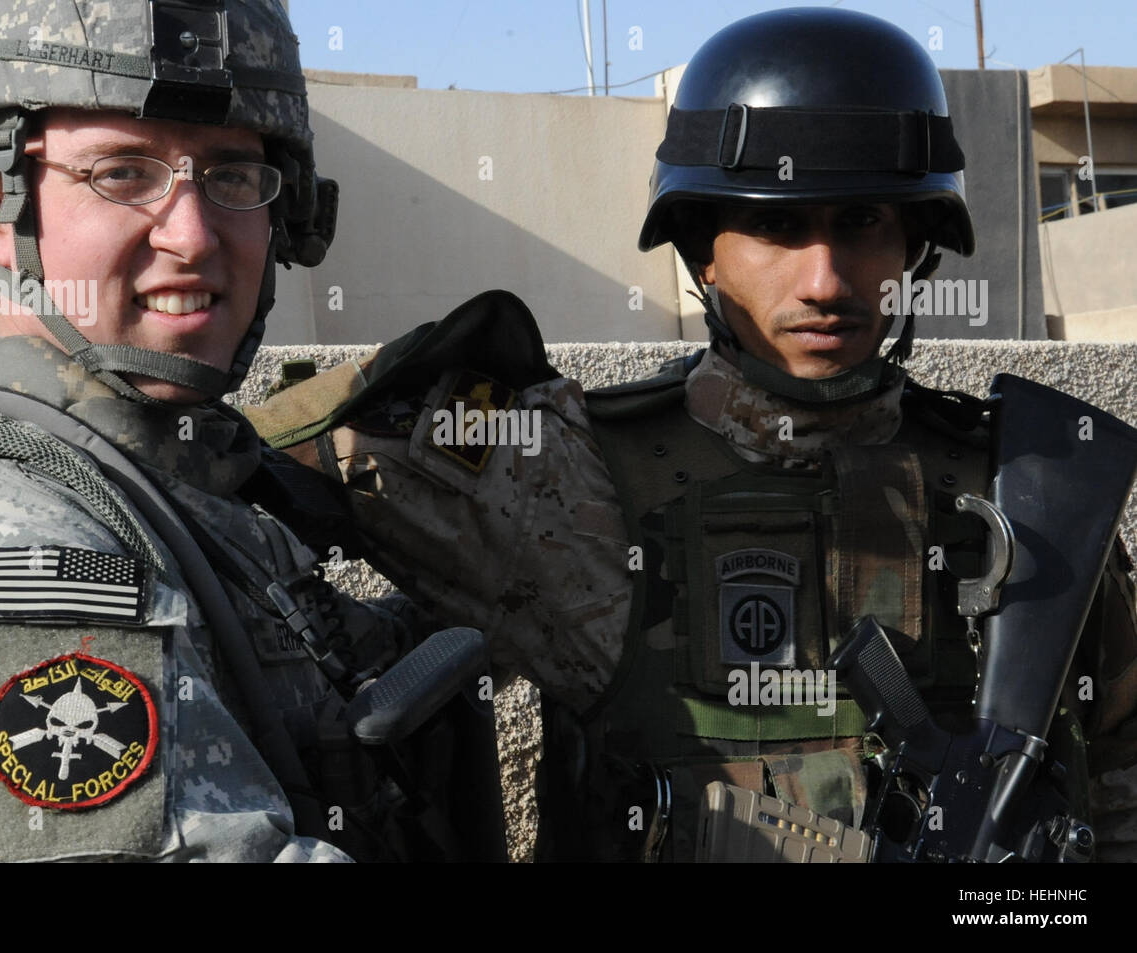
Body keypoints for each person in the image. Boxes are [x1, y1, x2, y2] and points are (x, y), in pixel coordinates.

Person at [249, 7, 1137, 861]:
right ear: (701, 249)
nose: (826, 279)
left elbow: (1122, 773)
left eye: (863, 221)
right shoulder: (563, 470)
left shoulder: (1027, 496)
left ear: (916, 245)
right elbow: (230, 460)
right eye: (777, 225)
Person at [0, 0, 451, 862]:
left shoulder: (176, 481)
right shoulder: (10, 557)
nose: (193, 235)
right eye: (124, 173)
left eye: (233, 176)